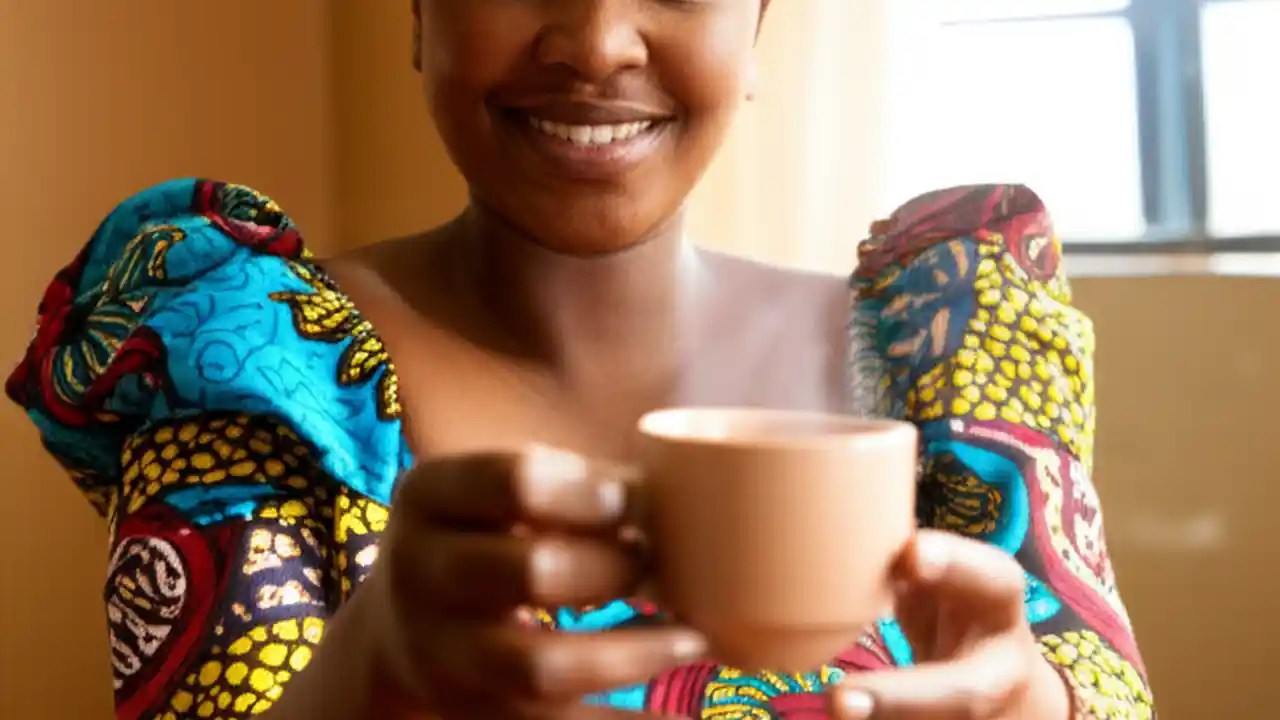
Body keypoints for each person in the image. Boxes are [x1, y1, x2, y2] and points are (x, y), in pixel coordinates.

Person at [8, 1, 1154, 718]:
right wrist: (358, 690)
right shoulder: (247, 361)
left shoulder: (938, 351)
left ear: (757, 25)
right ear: (416, 12)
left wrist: (1037, 704)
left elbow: (1089, 690)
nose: (597, 40)